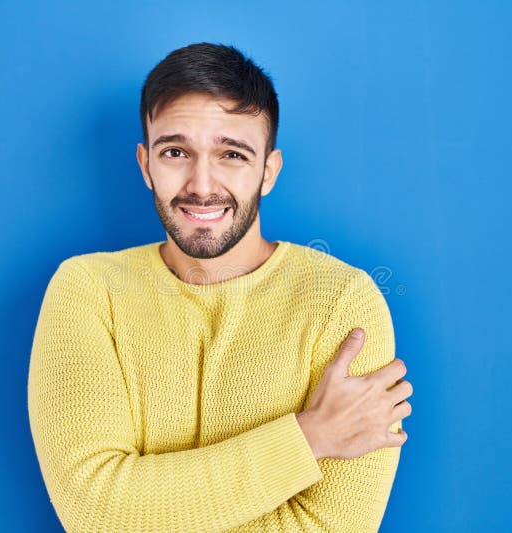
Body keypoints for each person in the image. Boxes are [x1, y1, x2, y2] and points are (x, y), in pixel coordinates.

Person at [27, 42, 413, 533]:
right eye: (175, 152)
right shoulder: (87, 290)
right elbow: (95, 512)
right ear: (145, 165)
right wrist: (310, 437)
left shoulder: (342, 303)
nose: (202, 185)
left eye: (232, 154)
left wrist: (145, 502)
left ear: (268, 171)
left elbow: (331, 527)